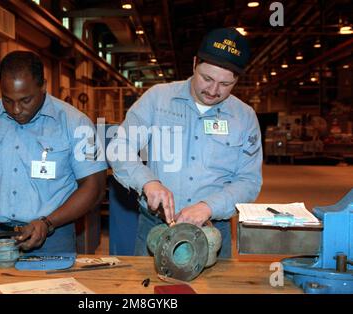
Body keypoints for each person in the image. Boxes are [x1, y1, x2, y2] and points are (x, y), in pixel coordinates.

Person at [107, 28, 263, 257]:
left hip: (212, 233)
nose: (213, 90)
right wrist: (147, 182)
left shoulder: (244, 117)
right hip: (156, 228)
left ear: (237, 79)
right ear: (194, 64)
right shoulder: (158, 99)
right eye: (207, 78)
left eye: (225, 84)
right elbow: (120, 147)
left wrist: (209, 207)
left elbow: (249, 181)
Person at [0, 51, 107, 256]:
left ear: (43, 85)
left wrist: (48, 222)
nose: (16, 109)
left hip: (52, 240)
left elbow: (94, 186)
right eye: (7, 100)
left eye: (26, 100)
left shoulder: (76, 124)